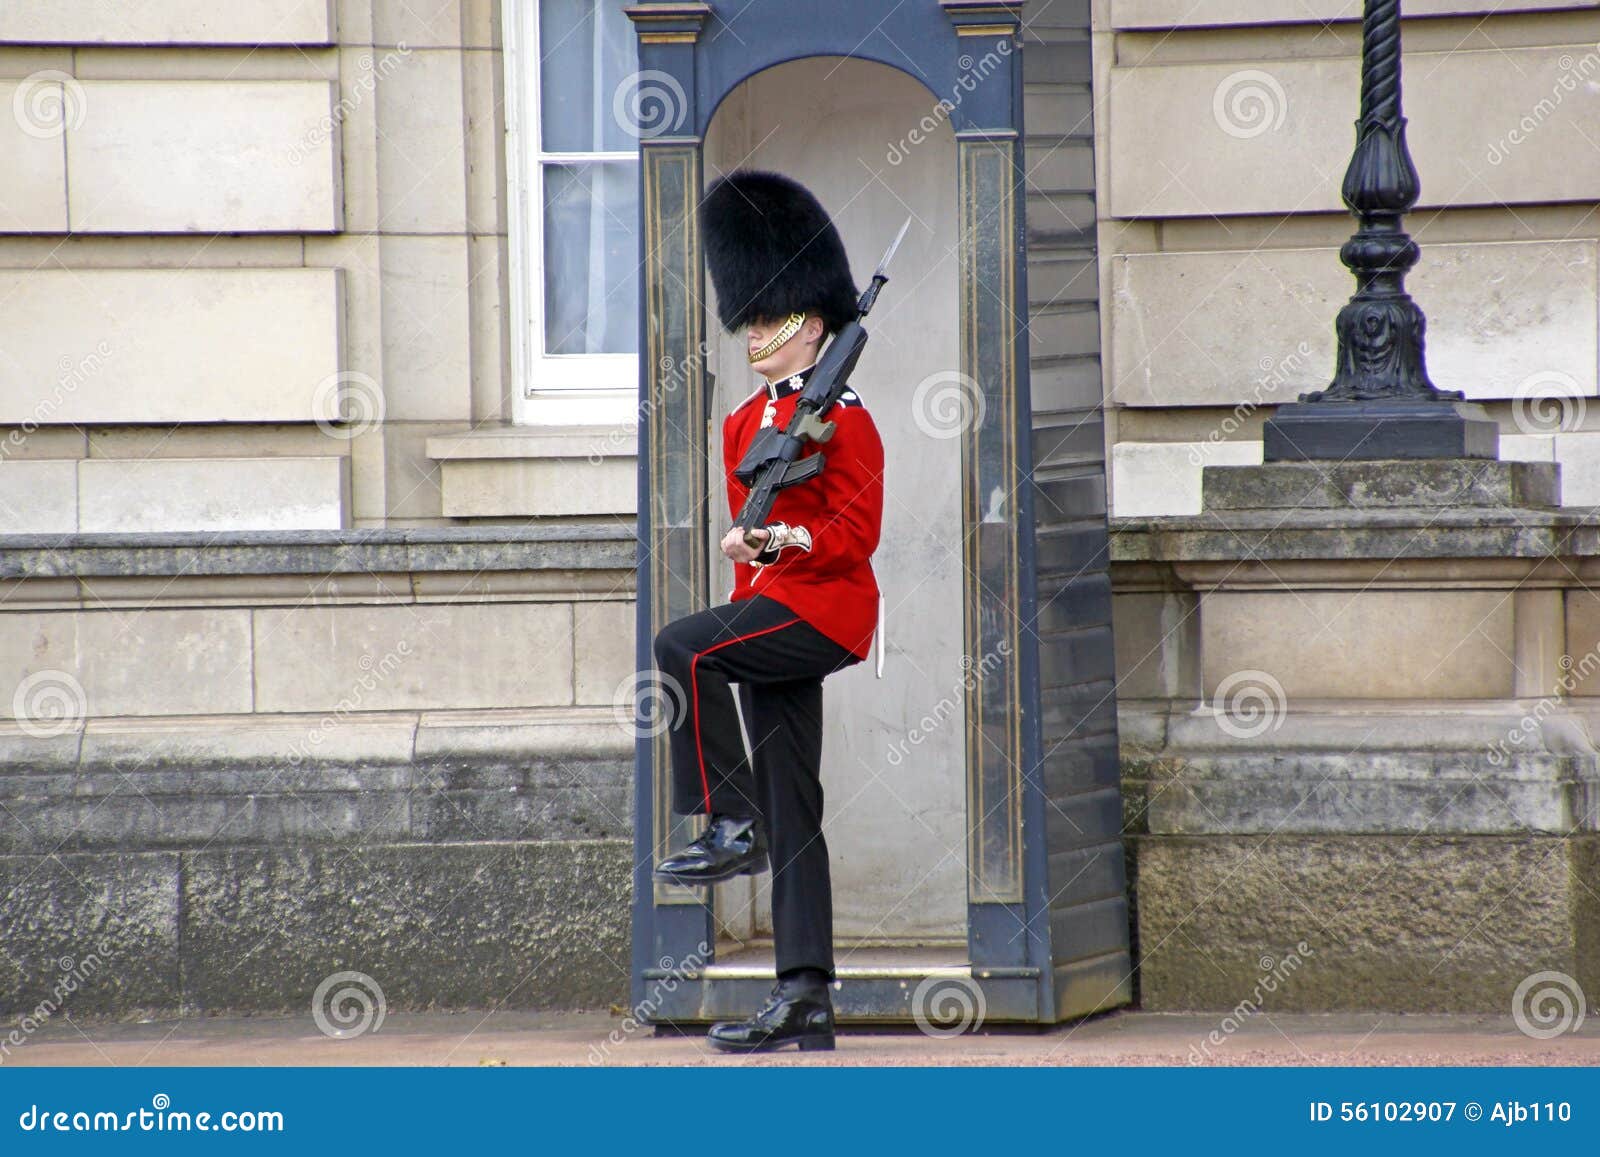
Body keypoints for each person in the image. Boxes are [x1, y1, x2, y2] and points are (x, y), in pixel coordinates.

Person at [651, 169, 885, 1053]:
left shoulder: (847, 418)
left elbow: (856, 535)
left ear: (811, 323)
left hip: (823, 610)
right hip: (769, 611)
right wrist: (754, 549)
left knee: (684, 647)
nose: (753, 330)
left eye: (769, 316)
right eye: (748, 317)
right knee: (795, 804)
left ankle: (727, 816)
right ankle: (805, 995)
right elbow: (752, 532)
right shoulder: (743, 423)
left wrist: (779, 540)